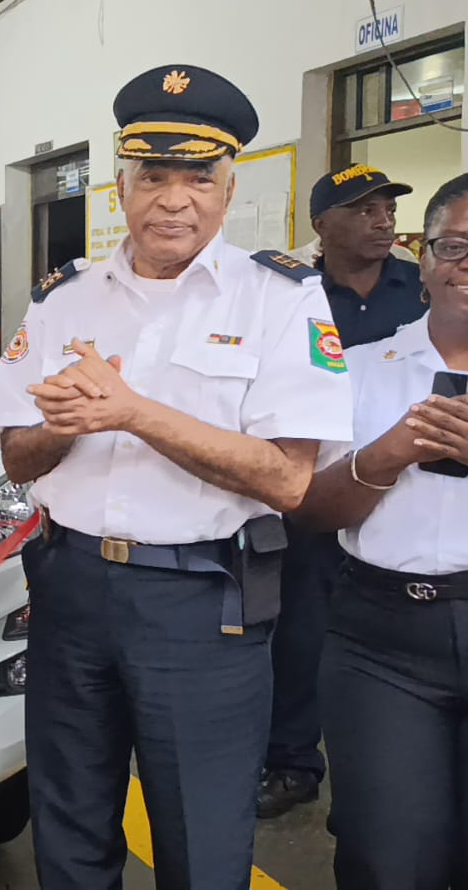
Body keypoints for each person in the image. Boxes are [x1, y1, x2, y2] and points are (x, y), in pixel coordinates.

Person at [0, 64, 354, 889]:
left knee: (202, 839)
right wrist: (59, 426)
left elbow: (290, 481)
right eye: (152, 176)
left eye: (197, 177)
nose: (173, 199)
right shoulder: (63, 301)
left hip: (200, 604)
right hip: (70, 587)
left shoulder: (278, 301)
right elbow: (13, 454)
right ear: (120, 186)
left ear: (229, 188)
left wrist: (130, 411)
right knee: (69, 824)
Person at [293, 173, 468, 888]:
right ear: (420, 260)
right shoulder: (358, 371)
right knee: (388, 856)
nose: (467, 264)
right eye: (454, 245)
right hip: (382, 641)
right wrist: (386, 454)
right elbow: (308, 510)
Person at [259, 165, 426, 819]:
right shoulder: (290, 296)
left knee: (394, 637)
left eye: (387, 207)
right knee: (298, 633)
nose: (382, 219)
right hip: (315, 492)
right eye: (363, 209)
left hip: (407, 490)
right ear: (321, 225)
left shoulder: (420, 289)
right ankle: (293, 760)